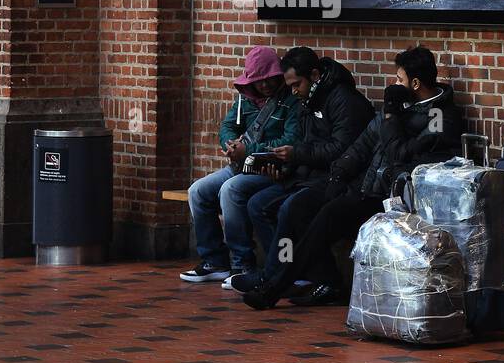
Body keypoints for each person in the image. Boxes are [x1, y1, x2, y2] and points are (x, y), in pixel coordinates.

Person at [244, 45, 464, 309]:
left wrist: (392, 115)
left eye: (399, 79)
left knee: (326, 217)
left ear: (415, 83)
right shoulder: (400, 108)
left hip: (388, 199)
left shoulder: (441, 117)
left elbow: (401, 156)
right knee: (300, 207)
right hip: (360, 185)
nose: (395, 84)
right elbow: (360, 147)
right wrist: (338, 176)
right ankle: (322, 281)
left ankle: (274, 287)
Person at [229, 46, 374, 292]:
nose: (293, 91)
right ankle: (290, 272)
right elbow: (305, 142)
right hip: (308, 175)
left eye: (297, 84)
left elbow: (341, 150)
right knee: (258, 205)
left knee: (290, 209)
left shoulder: (345, 101)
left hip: (337, 179)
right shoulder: (308, 98)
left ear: (315, 76)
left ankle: (277, 276)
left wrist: (296, 155)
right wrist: (284, 166)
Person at [179, 46, 299, 283]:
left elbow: (290, 140)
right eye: (258, 81)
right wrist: (230, 145)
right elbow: (227, 126)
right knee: (198, 191)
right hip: (239, 164)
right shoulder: (244, 99)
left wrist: (251, 150)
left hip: (267, 167)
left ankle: (242, 263)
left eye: (268, 79)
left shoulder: (290, 101)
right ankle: (214, 260)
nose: (263, 85)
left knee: (231, 190)